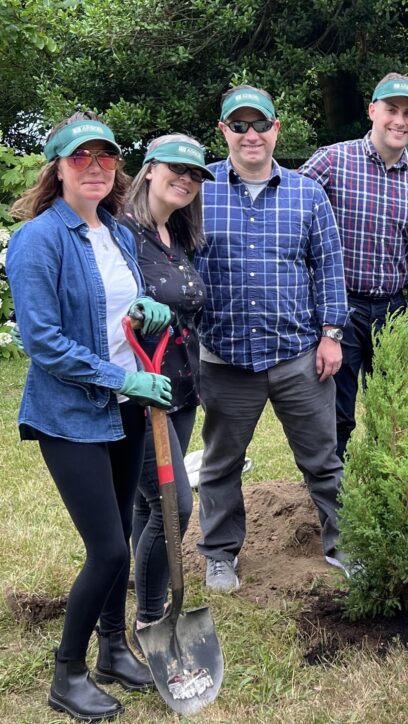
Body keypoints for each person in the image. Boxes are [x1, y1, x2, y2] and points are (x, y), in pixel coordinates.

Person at [7, 112, 171, 719]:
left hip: (125, 409)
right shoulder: (38, 239)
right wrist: (122, 377)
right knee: (108, 552)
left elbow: (116, 310)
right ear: (58, 168)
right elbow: (43, 341)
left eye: (105, 156)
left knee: (121, 536)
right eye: (80, 158)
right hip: (70, 413)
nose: (95, 167)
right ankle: (67, 673)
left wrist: (145, 310)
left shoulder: (118, 232)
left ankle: (113, 651)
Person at [195, 85, 350, 591]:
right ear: (224, 131)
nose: (251, 135)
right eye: (239, 125)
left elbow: (329, 267)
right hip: (225, 357)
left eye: (260, 124)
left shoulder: (308, 193)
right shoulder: (199, 190)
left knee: (323, 460)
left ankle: (343, 543)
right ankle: (219, 554)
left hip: (297, 354)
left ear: (276, 128)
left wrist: (331, 334)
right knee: (221, 464)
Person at [299, 72, 408, 464]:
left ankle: (382, 484)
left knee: (390, 411)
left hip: (392, 310)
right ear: (372, 110)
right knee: (337, 409)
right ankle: (332, 487)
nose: (400, 120)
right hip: (340, 307)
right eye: (392, 109)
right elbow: (290, 213)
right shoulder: (332, 161)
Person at [121, 134, 212, 638]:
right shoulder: (121, 233)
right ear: (150, 169)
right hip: (141, 388)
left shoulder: (175, 234)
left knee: (148, 503)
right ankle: (151, 618)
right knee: (174, 506)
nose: (186, 179)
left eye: (195, 173)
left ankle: (145, 595)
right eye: (176, 168)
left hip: (180, 385)